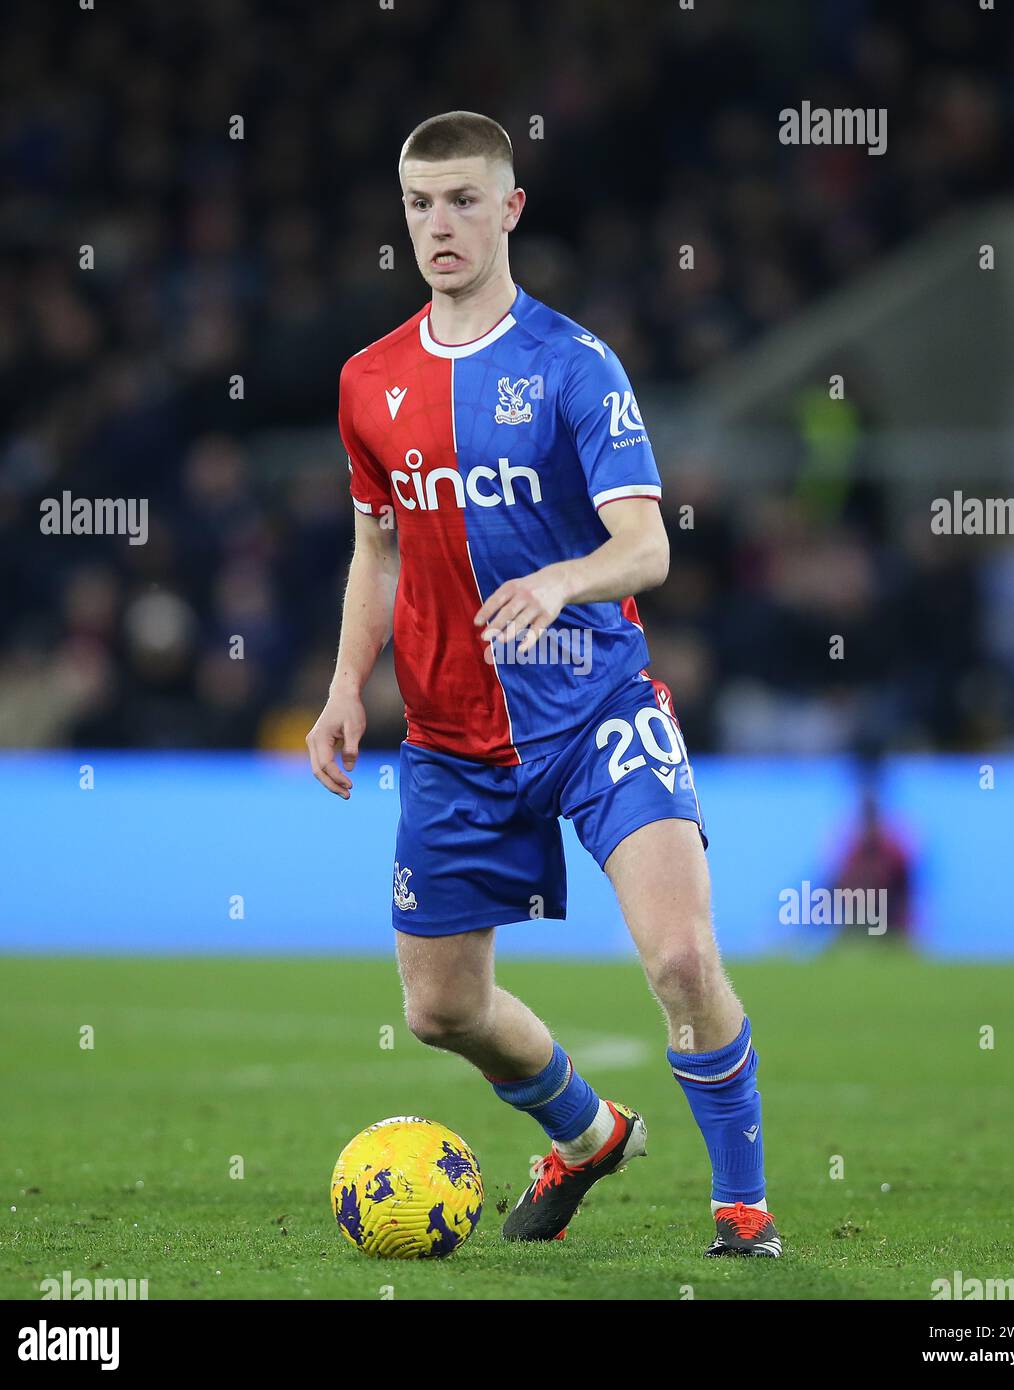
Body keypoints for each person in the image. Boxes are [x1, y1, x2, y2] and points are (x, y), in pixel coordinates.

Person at [306, 111, 780, 1257]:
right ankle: (587, 1131)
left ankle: (743, 1208)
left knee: (678, 956)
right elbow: (374, 548)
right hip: (449, 735)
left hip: (595, 709)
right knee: (439, 1009)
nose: (439, 225)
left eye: (463, 200)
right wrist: (339, 690)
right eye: (420, 204)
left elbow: (646, 545)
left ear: (509, 208)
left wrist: (562, 580)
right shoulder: (369, 382)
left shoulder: (574, 364)